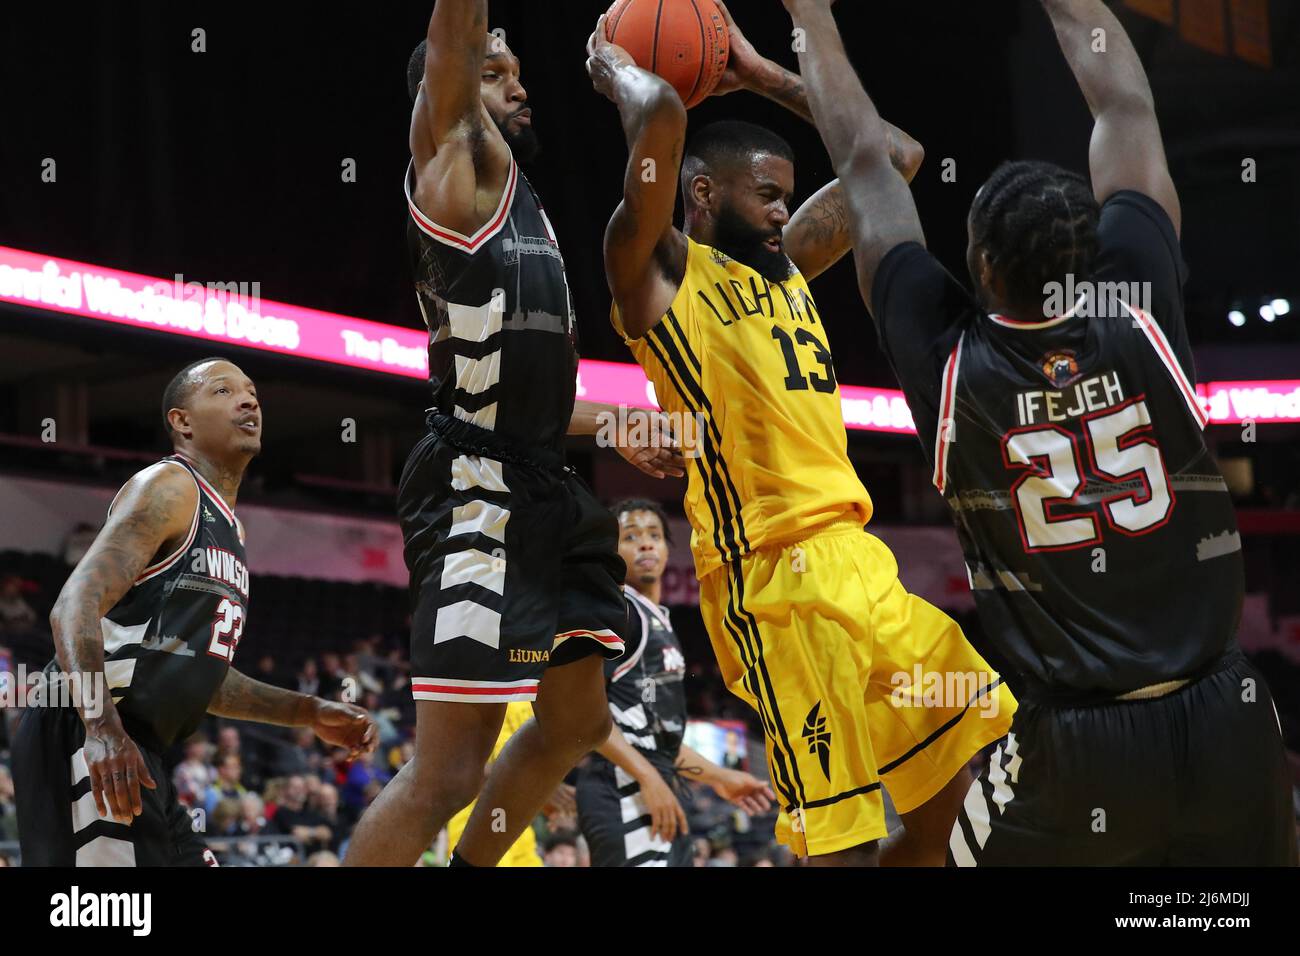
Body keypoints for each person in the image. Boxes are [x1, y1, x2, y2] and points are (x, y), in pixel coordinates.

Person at [785, 0, 1296, 865]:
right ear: (1094, 251)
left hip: (1080, 750)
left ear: (980, 269)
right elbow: (1124, 109)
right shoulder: (1141, 308)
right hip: (1228, 717)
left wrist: (809, 15)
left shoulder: (951, 369)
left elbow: (864, 161)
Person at [588, 5, 1015, 865]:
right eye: (769, 194)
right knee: (842, 838)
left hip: (860, 565)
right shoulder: (663, 274)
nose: (786, 211)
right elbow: (665, 124)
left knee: (963, 767)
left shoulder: (787, 270)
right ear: (703, 194)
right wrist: (620, 72)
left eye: (790, 195)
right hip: (771, 582)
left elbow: (891, 156)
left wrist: (757, 74)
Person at [343, 0, 684, 868]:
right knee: (450, 772)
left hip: (542, 482)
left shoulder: (525, 203)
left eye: (521, 74)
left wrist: (614, 421)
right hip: (476, 494)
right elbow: (454, 41)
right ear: (448, 89)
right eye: (496, 73)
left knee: (576, 722)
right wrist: (467, 43)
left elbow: (529, 391)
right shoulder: (452, 162)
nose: (520, 86)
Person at [11, 357, 377, 866]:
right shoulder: (170, 487)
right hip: (87, 726)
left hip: (138, 746)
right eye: (224, 391)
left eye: (252, 392)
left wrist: (308, 711)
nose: (248, 401)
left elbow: (199, 674)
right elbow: (75, 604)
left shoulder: (231, 529)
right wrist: (100, 728)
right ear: (181, 421)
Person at [578, 500, 773, 866]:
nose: (646, 544)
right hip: (620, 786)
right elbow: (584, 719)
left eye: (654, 535)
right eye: (631, 536)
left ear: (669, 548)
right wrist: (647, 776)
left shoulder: (658, 620)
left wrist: (719, 777)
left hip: (657, 783)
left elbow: (658, 737)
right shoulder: (615, 614)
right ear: (610, 551)